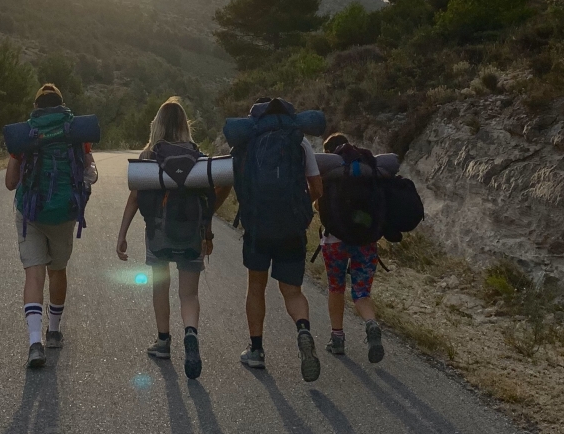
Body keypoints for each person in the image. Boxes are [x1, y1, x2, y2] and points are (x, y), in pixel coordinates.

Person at [115, 98, 226, 381]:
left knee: (160, 287)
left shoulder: (148, 156)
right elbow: (207, 200)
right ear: (184, 125)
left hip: (158, 234)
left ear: (158, 125)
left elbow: (135, 198)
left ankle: (163, 342)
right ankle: (191, 333)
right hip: (191, 234)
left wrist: (122, 234)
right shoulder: (198, 157)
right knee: (189, 294)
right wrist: (207, 235)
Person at [229, 97, 324, 381]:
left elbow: (236, 183)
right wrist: (303, 209)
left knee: (256, 287)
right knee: (292, 291)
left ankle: (256, 350)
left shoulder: (247, 140)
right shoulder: (299, 141)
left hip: (258, 227)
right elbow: (317, 187)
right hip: (291, 227)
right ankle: (303, 329)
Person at [5, 83, 97, 369]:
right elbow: (91, 173)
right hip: (64, 213)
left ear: (36, 107)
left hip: (31, 212)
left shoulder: (26, 134)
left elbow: (10, 182)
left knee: (34, 275)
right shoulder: (74, 131)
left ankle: (35, 343)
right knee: (57, 271)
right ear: (61, 105)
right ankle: (54, 331)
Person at [319, 132, 387, 364]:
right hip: (366, 242)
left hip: (334, 242)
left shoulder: (329, 171)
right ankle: (371, 323)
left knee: (336, 287)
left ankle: (337, 339)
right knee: (362, 293)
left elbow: (319, 204)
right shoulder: (367, 168)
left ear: (328, 152)